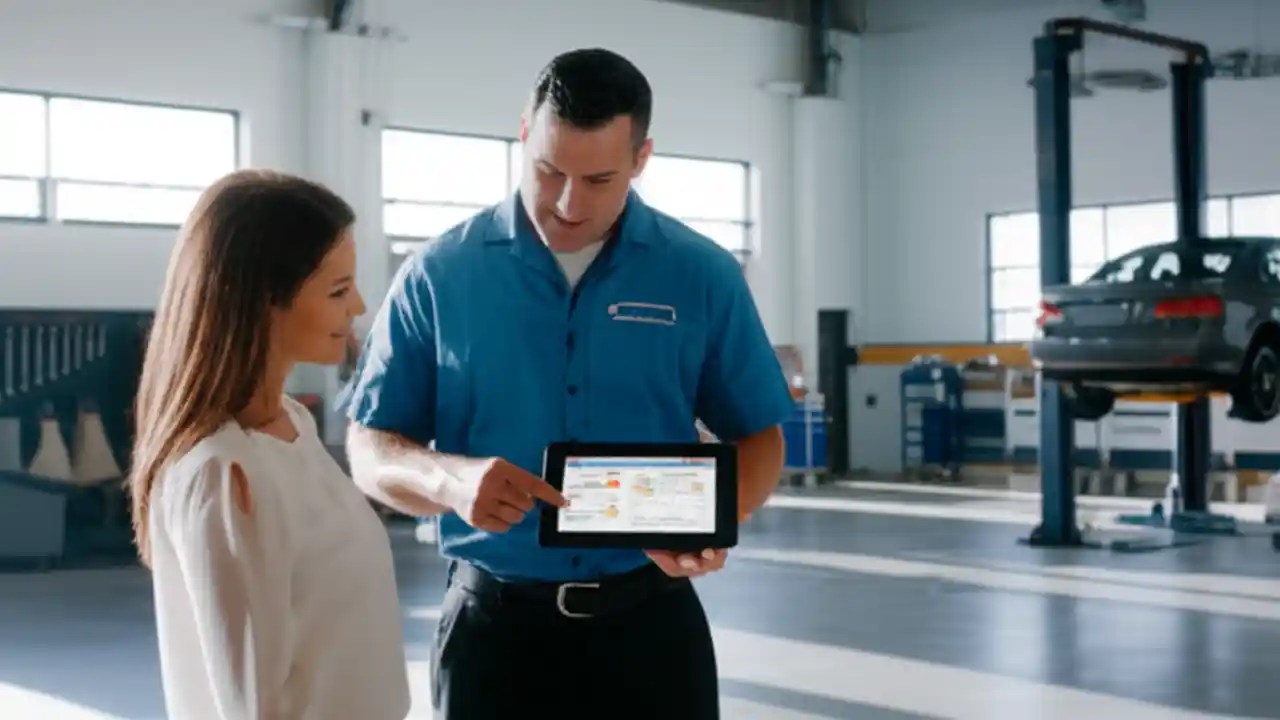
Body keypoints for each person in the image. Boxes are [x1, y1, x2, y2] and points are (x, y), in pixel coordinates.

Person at [340, 47, 792, 719]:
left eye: (599, 179)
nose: (568, 203)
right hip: (494, 637)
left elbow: (759, 436)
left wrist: (712, 524)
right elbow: (369, 448)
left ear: (641, 159)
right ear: (524, 133)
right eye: (549, 170)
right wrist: (449, 480)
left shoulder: (701, 276)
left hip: (652, 632)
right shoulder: (439, 275)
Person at [129, 169, 411, 720]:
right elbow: (256, 708)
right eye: (337, 290)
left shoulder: (292, 425)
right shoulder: (220, 471)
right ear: (262, 301)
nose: (357, 306)